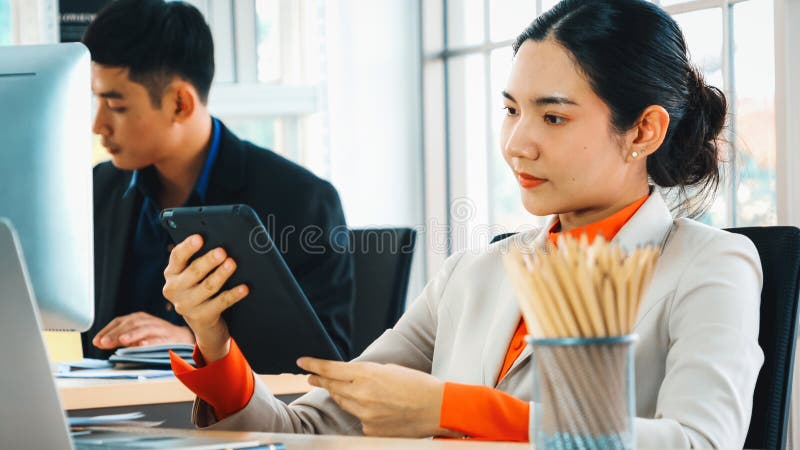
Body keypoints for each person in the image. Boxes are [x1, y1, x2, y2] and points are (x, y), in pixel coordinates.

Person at [162, 0, 763, 447]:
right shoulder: (472, 275)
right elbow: (302, 429)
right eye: (510, 110)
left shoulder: (711, 265)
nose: (517, 144)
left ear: (643, 131)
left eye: (552, 117)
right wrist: (215, 345)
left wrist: (455, 408)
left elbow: (700, 441)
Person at [82, 0, 355, 360]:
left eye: (115, 106)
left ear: (180, 103)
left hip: (243, 416)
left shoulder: (302, 200)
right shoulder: (97, 191)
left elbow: (327, 359)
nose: (98, 124)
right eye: (96, 102)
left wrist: (197, 341)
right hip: (108, 410)